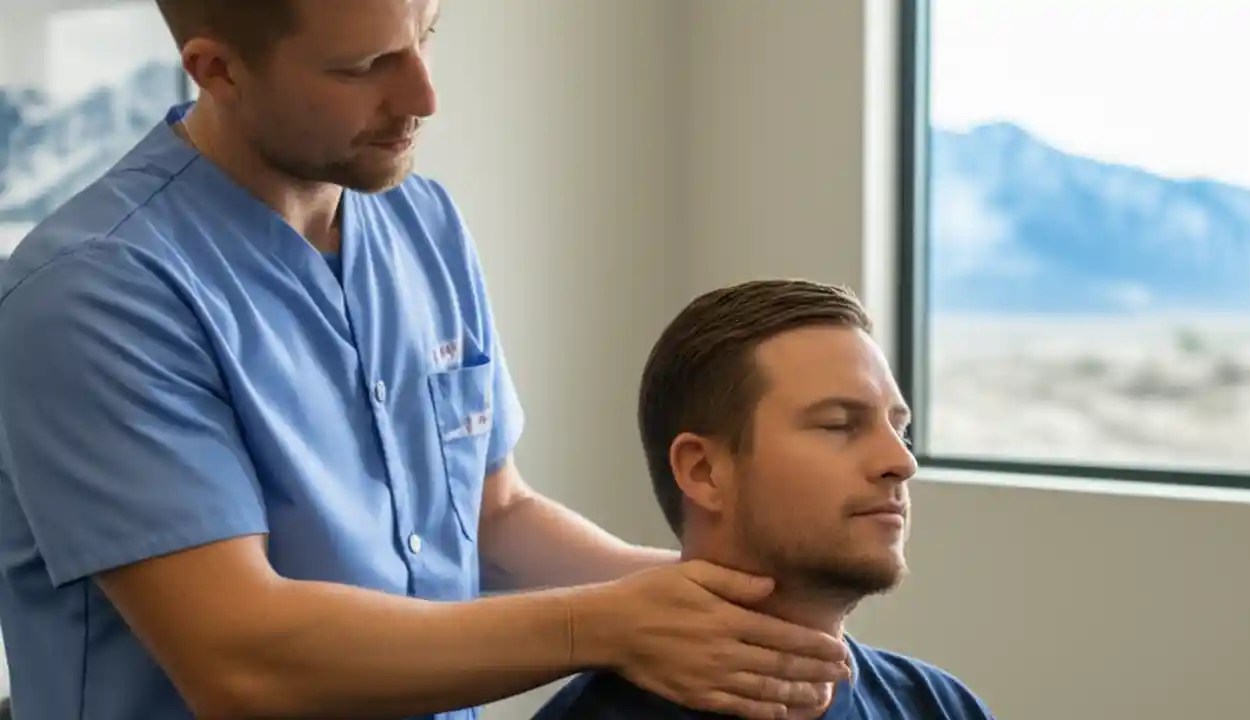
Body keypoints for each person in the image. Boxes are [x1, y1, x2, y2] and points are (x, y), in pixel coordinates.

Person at [0, 2, 854, 719]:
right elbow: (241, 657)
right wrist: (612, 623)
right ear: (216, 69)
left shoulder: (421, 222)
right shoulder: (95, 292)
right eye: (365, 65)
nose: (424, 96)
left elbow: (493, 515)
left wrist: (732, 602)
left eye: (428, 34)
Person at [534, 280, 997, 719]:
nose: (902, 462)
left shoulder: (941, 706)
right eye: (839, 424)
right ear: (704, 472)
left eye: (900, 429)